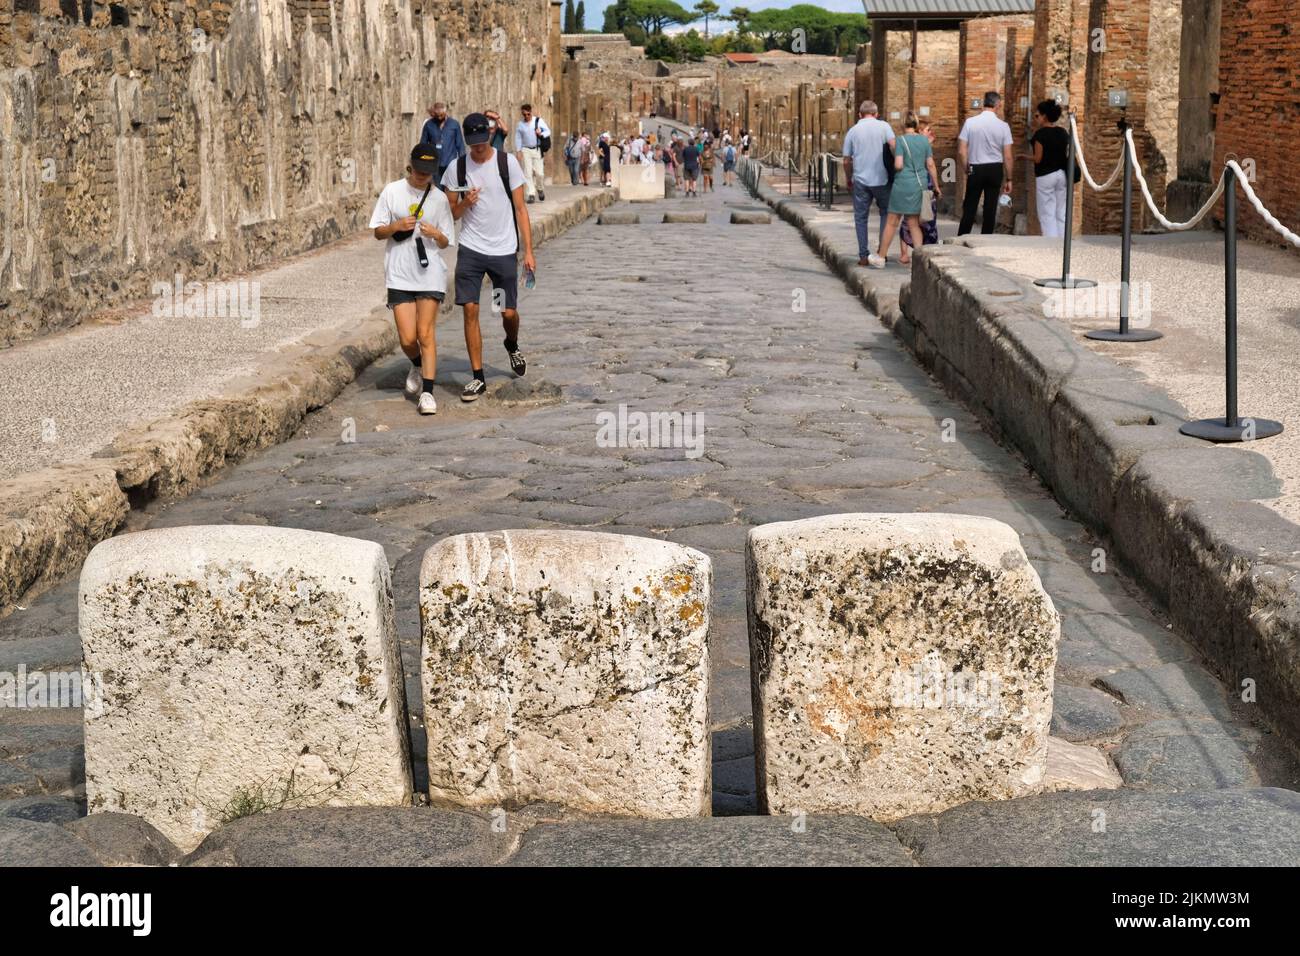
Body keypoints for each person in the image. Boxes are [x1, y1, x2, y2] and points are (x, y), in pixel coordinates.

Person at [442, 113, 534, 402]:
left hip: (503, 250)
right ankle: (478, 376)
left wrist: (529, 252)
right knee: (469, 309)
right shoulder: (456, 170)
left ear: (490, 135)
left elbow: (521, 209)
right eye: (474, 145)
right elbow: (450, 215)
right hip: (471, 250)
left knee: (505, 312)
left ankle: (511, 343)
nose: (478, 149)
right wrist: (465, 203)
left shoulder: (507, 163)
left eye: (483, 143)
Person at [369, 143, 456, 416]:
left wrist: (435, 234)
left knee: (425, 333)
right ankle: (416, 364)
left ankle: (428, 393)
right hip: (399, 273)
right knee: (407, 338)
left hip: (429, 273)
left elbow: (446, 242)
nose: (422, 176)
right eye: (419, 171)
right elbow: (378, 232)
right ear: (411, 165)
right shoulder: (392, 191)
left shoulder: (439, 198)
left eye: (427, 173)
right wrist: (395, 226)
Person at [870, 112, 939, 269]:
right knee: (914, 224)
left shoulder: (900, 141)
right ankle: (919, 262)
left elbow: (899, 165)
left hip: (902, 185)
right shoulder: (924, 141)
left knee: (892, 222)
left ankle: (881, 257)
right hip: (919, 185)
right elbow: (930, 165)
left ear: (903, 124)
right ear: (915, 123)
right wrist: (936, 186)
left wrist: (896, 162)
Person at [841, 100, 897, 266]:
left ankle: (863, 255)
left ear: (859, 114)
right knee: (886, 213)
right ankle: (882, 252)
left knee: (860, 218)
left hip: (860, 179)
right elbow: (894, 147)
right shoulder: (884, 127)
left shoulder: (853, 131)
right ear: (876, 113)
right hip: (882, 178)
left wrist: (848, 178)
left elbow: (846, 160)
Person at [957, 91, 1014, 235]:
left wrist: (966, 168)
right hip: (995, 168)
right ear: (998, 104)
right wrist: (1009, 178)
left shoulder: (970, 122)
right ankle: (986, 239)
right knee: (991, 207)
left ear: (984, 103)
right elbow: (1008, 156)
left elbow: (961, 151)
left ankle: (961, 237)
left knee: (970, 206)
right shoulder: (1003, 126)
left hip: (975, 167)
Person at [1028, 100, 1069, 238]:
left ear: (1044, 116)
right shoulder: (1063, 132)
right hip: (1062, 175)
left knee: (1046, 212)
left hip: (1045, 175)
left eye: (1037, 116)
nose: (1036, 118)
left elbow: (1038, 158)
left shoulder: (1039, 135)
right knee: (1061, 211)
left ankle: (1051, 242)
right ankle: (1063, 241)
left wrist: (1024, 157)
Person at [901, 118, 941, 251]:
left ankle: (904, 254)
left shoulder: (904, 142)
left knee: (909, 220)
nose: (931, 132)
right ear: (920, 131)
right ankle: (925, 250)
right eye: (928, 130)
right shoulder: (923, 145)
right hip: (924, 184)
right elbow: (930, 165)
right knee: (927, 217)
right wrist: (937, 186)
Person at [419, 102, 465, 182]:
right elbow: (423, 145)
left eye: (441, 115)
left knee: (450, 189)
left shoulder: (454, 124)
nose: (439, 118)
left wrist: (463, 164)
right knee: (437, 190)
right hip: (435, 164)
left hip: (451, 164)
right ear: (434, 113)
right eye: (437, 116)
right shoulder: (428, 125)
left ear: (445, 112)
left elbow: (460, 145)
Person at [514, 103, 551, 203]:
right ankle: (531, 193)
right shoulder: (520, 124)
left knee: (540, 173)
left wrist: (541, 133)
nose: (526, 116)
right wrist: (518, 151)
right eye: (524, 115)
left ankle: (540, 188)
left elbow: (548, 132)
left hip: (537, 149)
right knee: (527, 172)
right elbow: (518, 138)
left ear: (531, 112)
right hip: (525, 149)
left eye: (528, 114)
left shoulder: (538, 121)